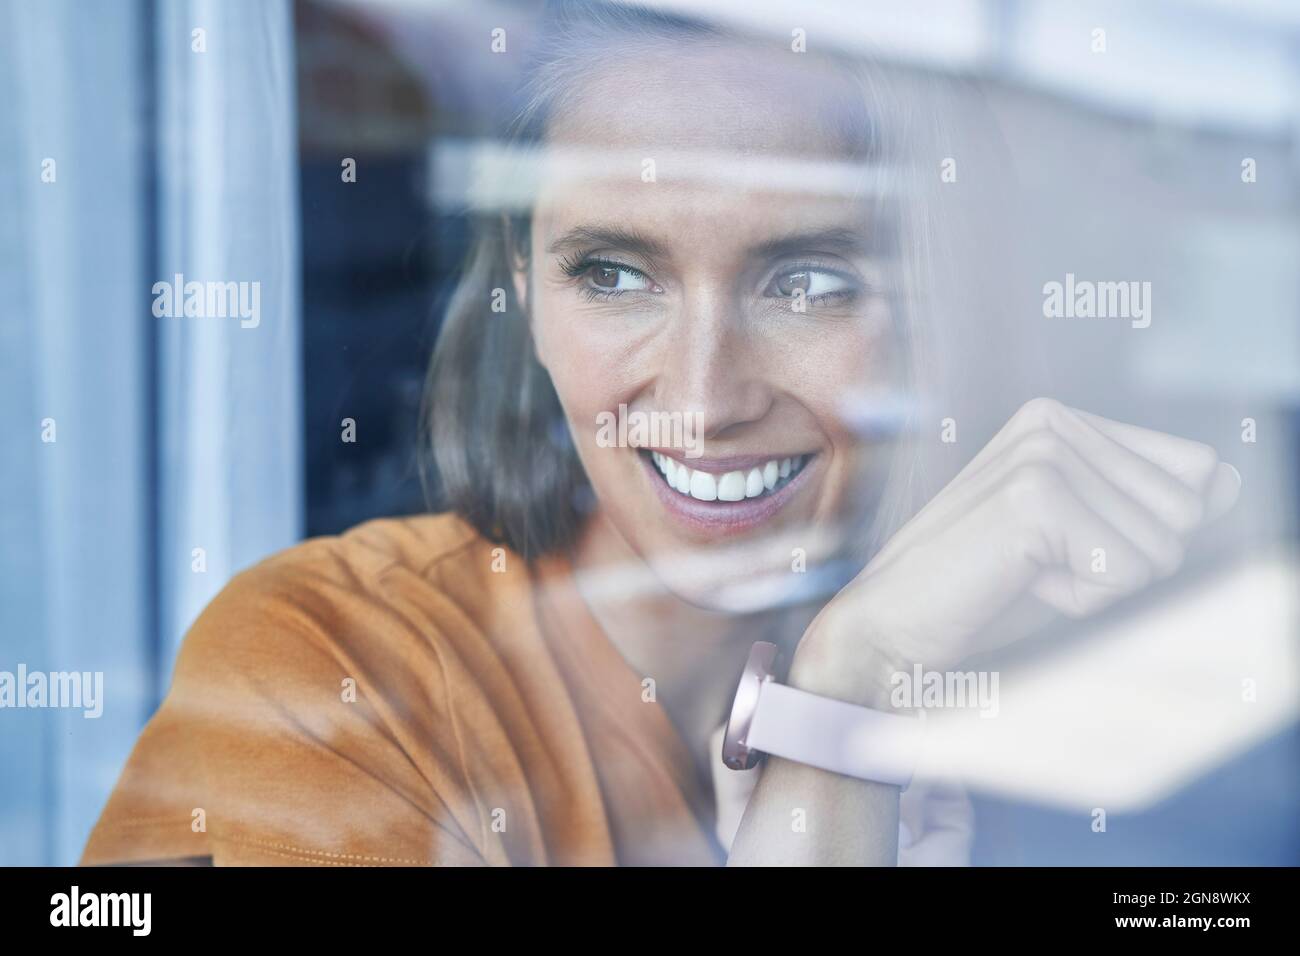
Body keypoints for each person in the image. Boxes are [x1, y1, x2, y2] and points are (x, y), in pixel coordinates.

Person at [82, 1, 1239, 867]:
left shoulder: (1069, 682)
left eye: (810, 281)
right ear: (524, 295)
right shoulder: (332, 664)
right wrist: (842, 698)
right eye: (616, 272)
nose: (703, 393)